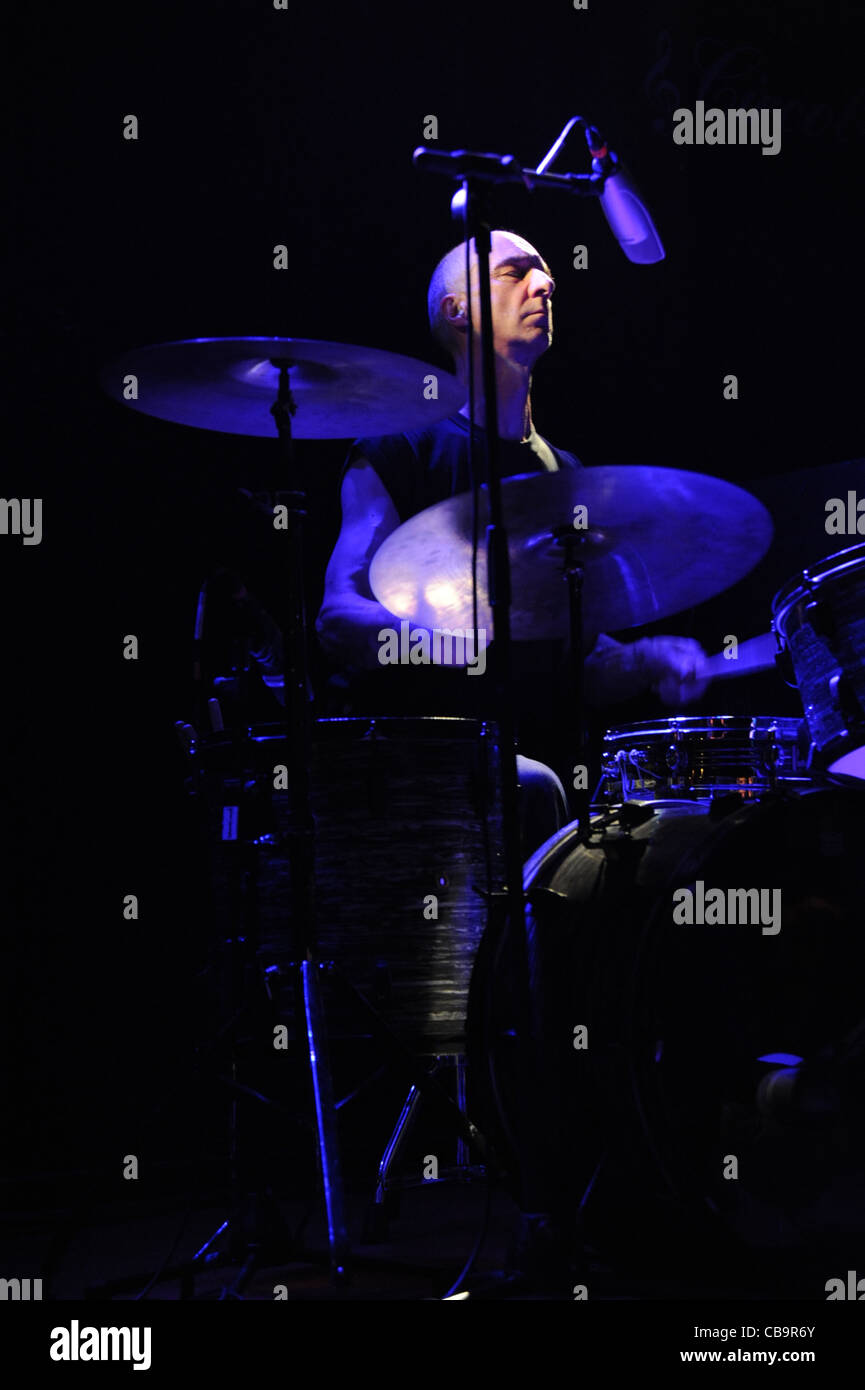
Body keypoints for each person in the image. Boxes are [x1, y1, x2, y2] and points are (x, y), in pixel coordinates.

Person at [316, 230, 708, 852]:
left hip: (542, 764)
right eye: (516, 273)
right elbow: (339, 619)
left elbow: (572, 661)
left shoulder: (564, 471)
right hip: (420, 761)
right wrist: (459, 643)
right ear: (458, 309)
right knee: (532, 788)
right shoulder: (398, 447)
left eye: (548, 274)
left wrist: (644, 659)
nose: (546, 285)